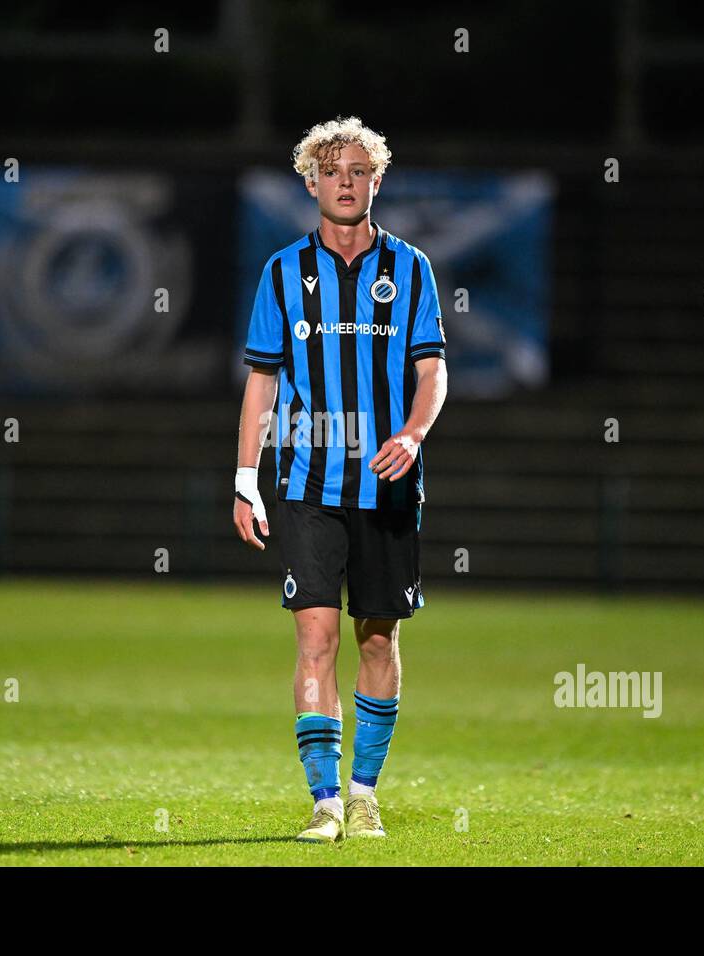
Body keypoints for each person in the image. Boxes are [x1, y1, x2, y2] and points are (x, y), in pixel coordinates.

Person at [232, 116, 448, 843]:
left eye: (359, 170)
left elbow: (432, 370)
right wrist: (245, 479)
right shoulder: (282, 273)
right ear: (311, 182)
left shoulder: (411, 268)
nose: (346, 182)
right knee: (316, 637)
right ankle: (325, 802)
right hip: (304, 480)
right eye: (333, 171)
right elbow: (261, 383)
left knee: (378, 640)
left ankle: (364, 793)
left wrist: (413, 434)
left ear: (377, 181)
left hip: (385, 487)